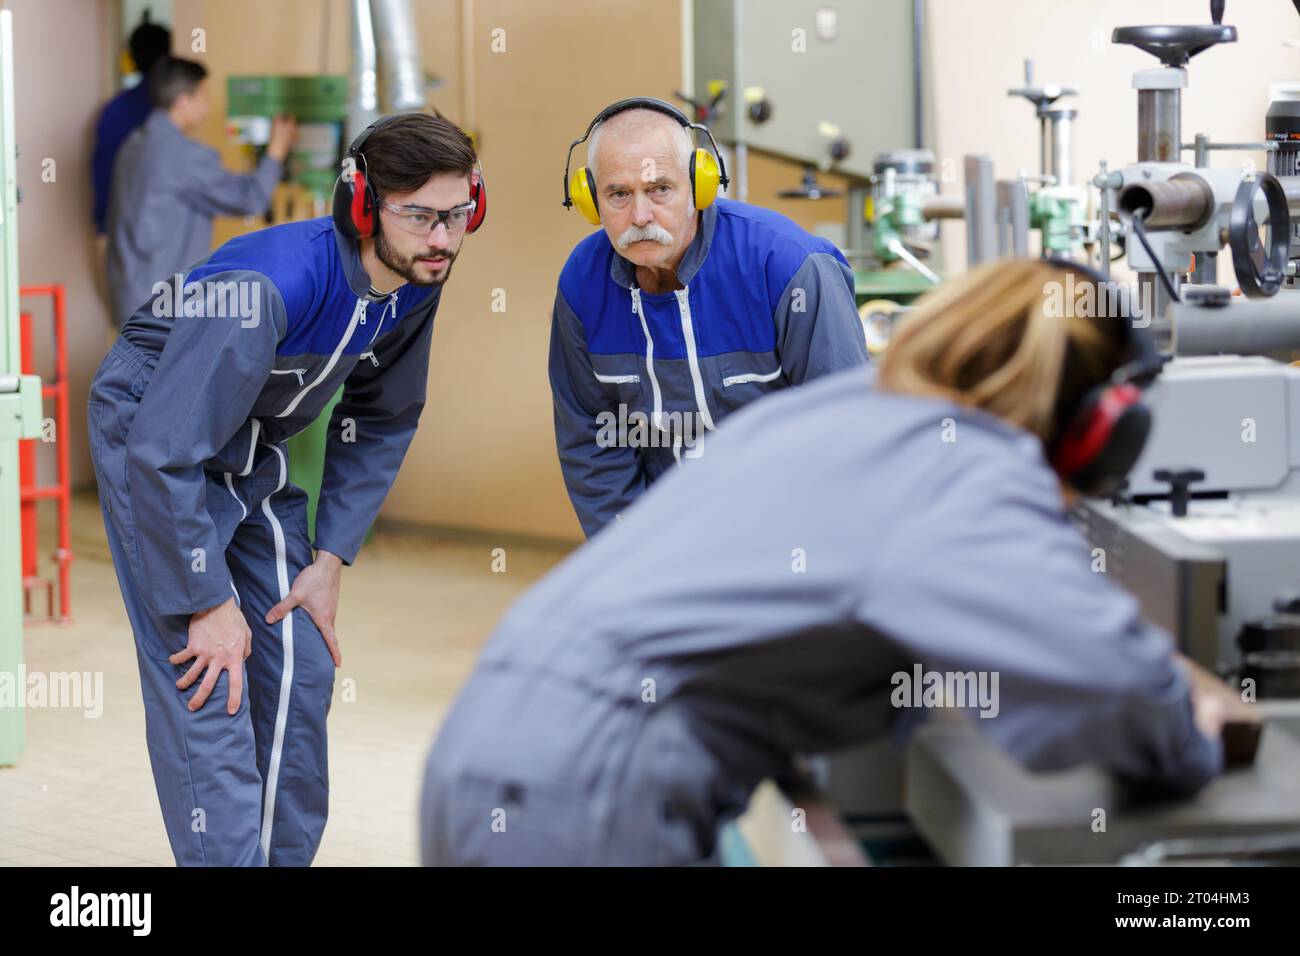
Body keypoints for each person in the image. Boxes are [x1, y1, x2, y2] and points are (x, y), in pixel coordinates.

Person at [421, 258, 1228, 866]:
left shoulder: (833, 416)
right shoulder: (962, 467)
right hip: (585, 790)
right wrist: (1198, 736)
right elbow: (1107, 686)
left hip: (492, 751)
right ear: (1097, 430)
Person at [88, 111, 485, 866]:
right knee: (212, 676)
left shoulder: (414, 282)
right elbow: (167, 450)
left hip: (248, 439)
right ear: (364, 206)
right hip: (155, 432)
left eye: (459, 213)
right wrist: (205, 600)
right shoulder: (266, 286)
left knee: (299, 662)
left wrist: (330, 557)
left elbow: (384, 414)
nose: (444, 237)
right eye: (423, 216)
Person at [550, 97, 869, 537]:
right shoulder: (583, 284)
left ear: (700, 186)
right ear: (589, 200)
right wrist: (631, 557)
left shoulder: (789, 267)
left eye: (659, 189)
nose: (640, 216)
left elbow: (847, 433)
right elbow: (592, 442)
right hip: (668, 546)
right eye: (619, 194)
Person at [105, 56, 297, 329]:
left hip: (127, 297)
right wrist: (277, 149)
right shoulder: (180, 154)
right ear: (183, 100)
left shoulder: (133, 145)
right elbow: (251, 198)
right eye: (203, 98)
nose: (207, 108)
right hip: (162, 306)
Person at [91, 14, 171, 238]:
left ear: (133, 59)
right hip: (161, 227)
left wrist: (102, 225)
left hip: (116, 223)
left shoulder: (114, 109)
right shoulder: (169, 109)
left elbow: (102, 172)